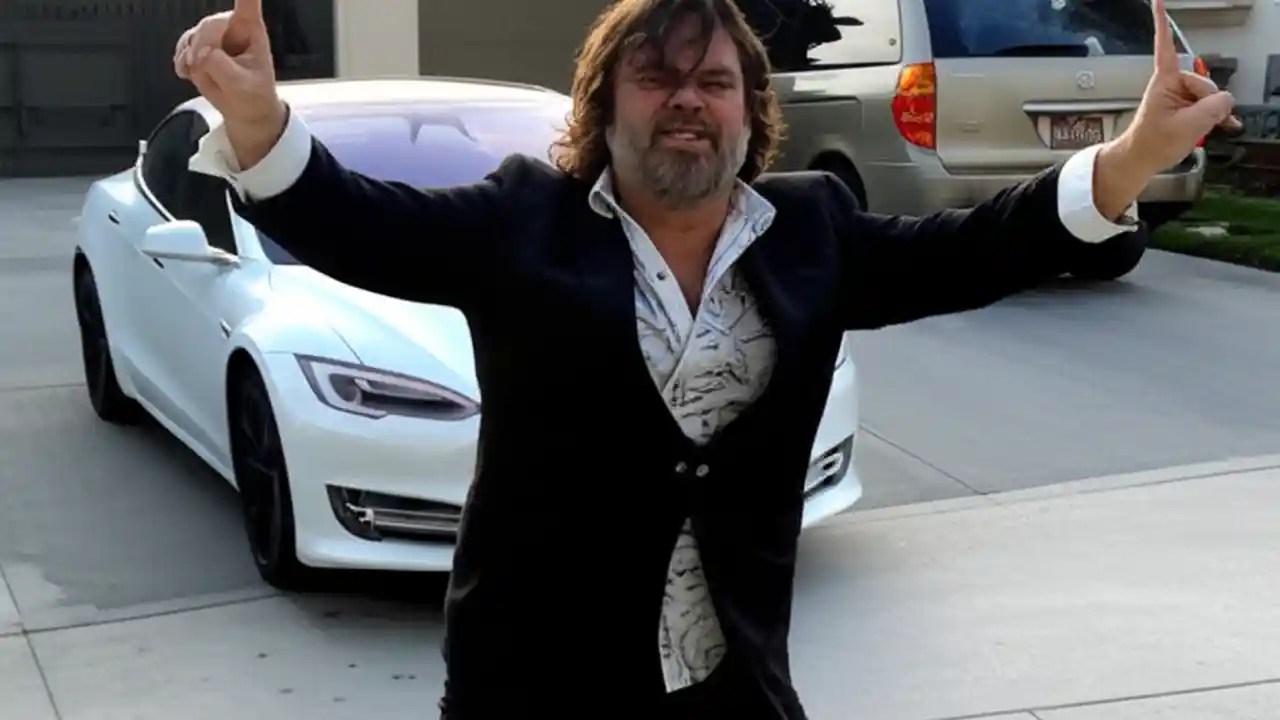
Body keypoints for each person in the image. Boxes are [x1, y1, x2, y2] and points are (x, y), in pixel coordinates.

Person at [173, 0, 1236, 717]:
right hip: (533, 684)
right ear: (604, 105)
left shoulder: (810, 229)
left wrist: (1133, 155)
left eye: (715, 80)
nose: (688, 97)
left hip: (729, 680)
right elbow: (364, 223)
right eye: (656, 75)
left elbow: (974, 248)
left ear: (747, 111)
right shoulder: (522, 223)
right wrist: (262, 120)